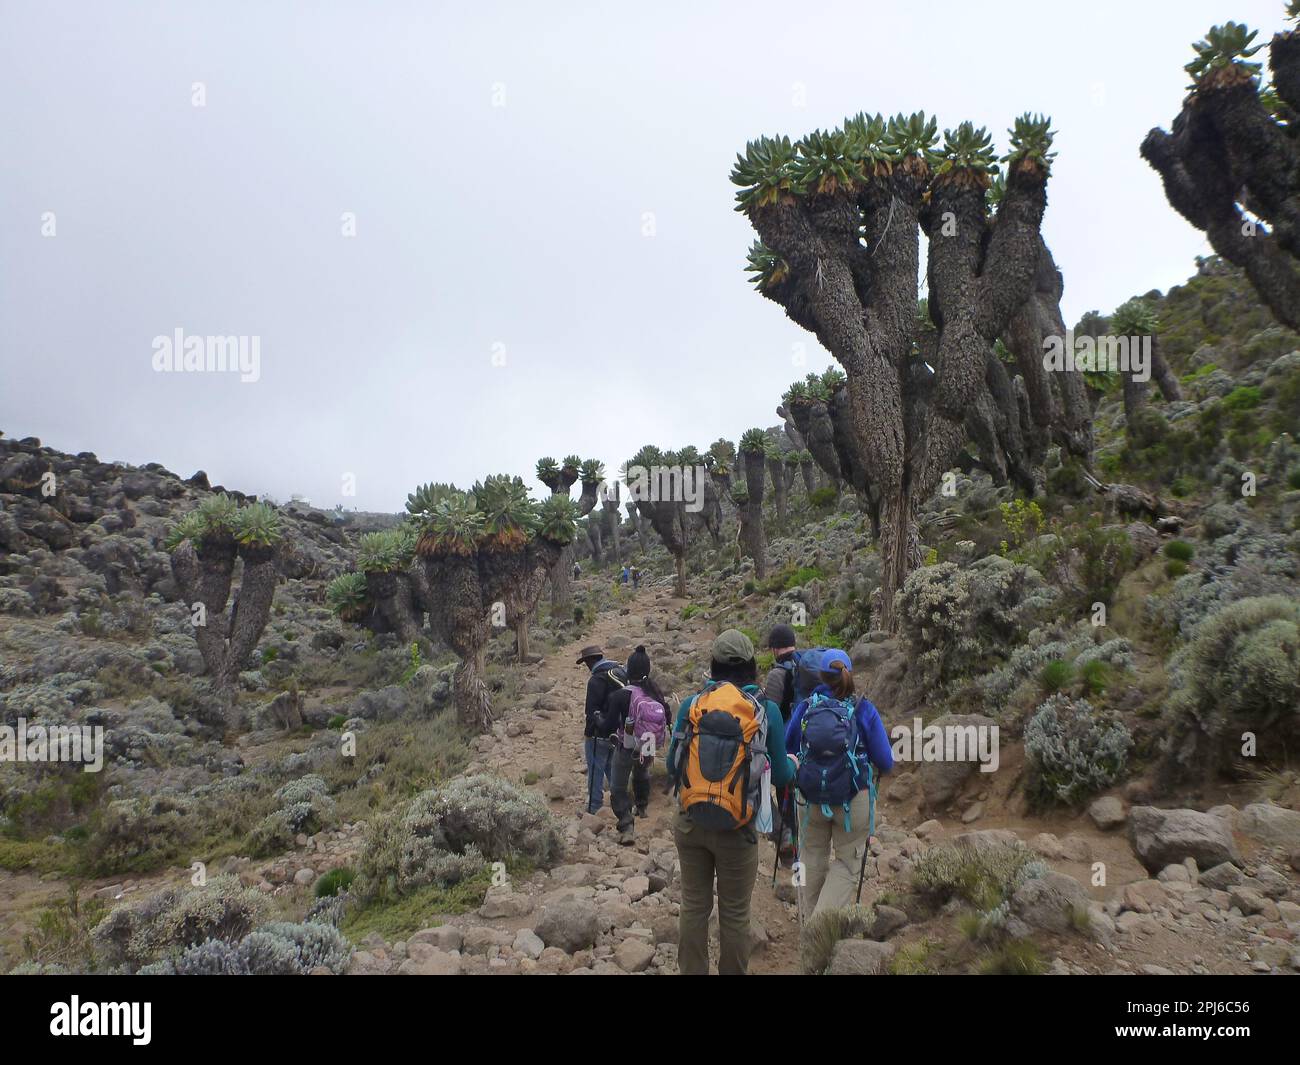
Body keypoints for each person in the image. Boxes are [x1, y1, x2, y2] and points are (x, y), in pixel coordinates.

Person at [667, 629, 797, 975]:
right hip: (738, 828)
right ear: (753, 666)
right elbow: (782, 777)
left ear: (713, 666)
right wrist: (793, 764)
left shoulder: (692, 705)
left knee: (693, 906)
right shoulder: (767, 710)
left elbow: (670, 766)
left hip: (691, 821)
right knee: (736, 915)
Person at [784, 649, 893, 920]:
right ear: (849, 674)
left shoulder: (806, 707)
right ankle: (822, 928)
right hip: (853, 798)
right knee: (846, 864)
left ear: (819, 676)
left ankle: (809, 928)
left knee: (810, 860)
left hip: (809, 799)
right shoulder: (863, 709)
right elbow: (886, 761)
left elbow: (787, 746)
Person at [609, 645, 670, 845]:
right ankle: (642, 807)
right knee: (642, 772)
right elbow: (667, 717)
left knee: (617, 784)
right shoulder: (655, 693)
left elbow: (608, 723)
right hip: (649, 742)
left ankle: (626, 824)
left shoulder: (621, 695)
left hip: (627, 743)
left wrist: (598, 720)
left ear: (628, 669)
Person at [762, 623, 800, 865]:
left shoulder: (777, 674)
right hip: (809, 740)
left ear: (775, 649)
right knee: (793, 793)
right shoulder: (807, 667)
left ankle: (785, 837)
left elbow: (770, 713)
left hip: (786, 741)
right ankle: (799, 843)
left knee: (771, 786)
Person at [578, 644, 626, 815]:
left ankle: (594, 808)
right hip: (617, 732)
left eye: (586, 662)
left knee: (595, 773)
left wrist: (591, 730)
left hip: (597, 735)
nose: (586, 665)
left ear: (591, 660)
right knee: (613, 771)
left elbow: (590, 711)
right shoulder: (619, 673)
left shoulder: (596, 679)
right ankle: (622, 804)